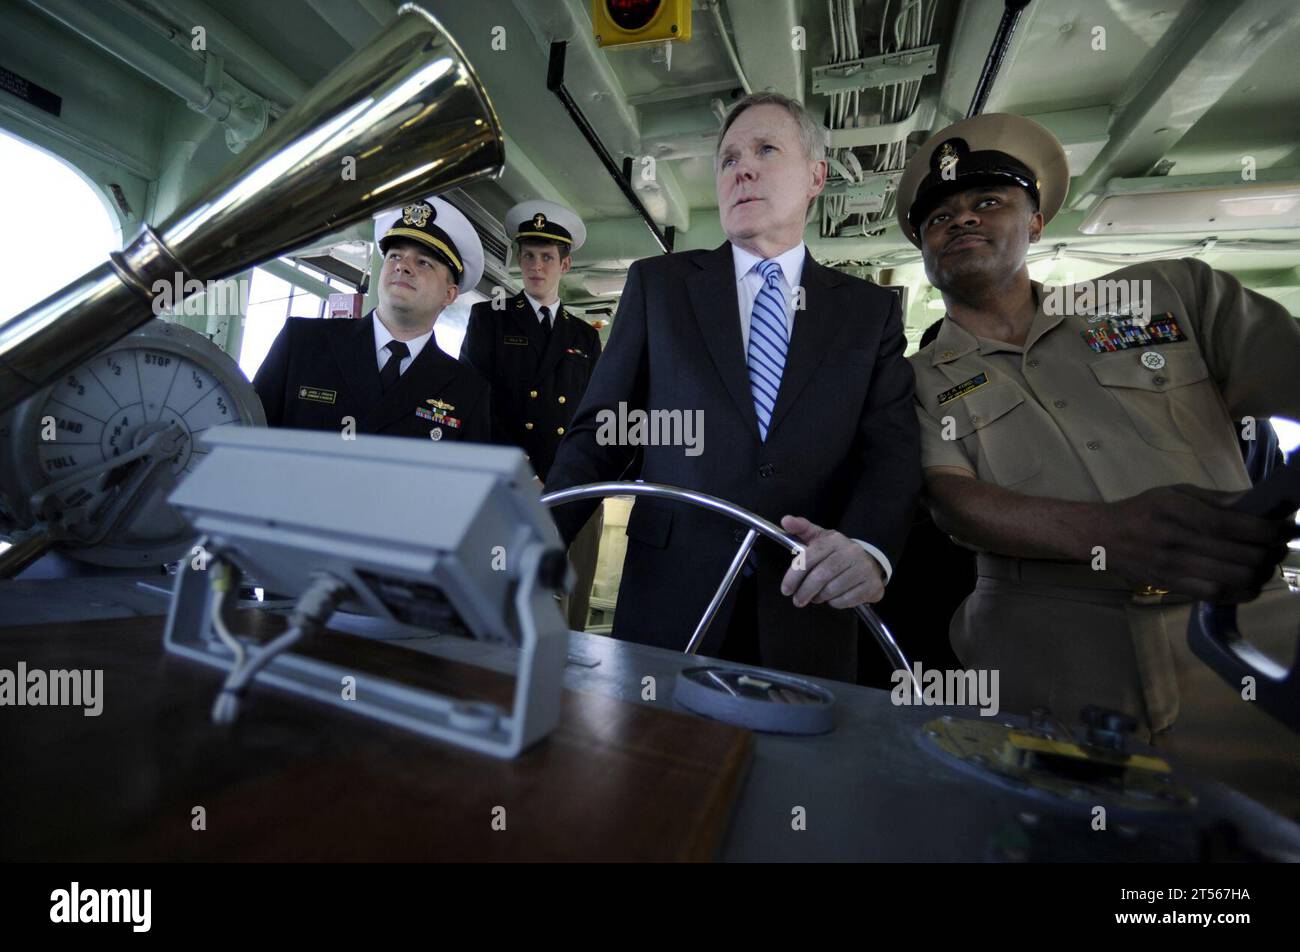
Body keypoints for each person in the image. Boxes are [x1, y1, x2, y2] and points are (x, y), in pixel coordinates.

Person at [899, 112, 1300, 810]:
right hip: (1050, 666)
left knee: (1266, 834)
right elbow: (949, 496)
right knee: (1054, 838)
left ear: (1038, 221)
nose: (961, 220)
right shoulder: (917, 379)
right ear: (926, 250)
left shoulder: (1164, 298)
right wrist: (1108, 533)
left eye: (987, 202)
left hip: (1241, 640)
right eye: (938, 218)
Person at [545, 92, 920, 681]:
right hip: (672, 602)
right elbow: (603, 433)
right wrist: (536, 542)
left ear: (816, 175)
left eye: (766, 150)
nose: (741, 168)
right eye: (728, 160)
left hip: (808, 603)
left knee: (795, 772)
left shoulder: (868, 313)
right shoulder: (660, 287)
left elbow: (892, 451)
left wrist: (868, 547)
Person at [460, 201, 603, 629]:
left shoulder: (584, 336)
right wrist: (521, 467)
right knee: (501, 604)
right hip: (510, 483)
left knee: (564, 613)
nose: (535, 267)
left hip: (569, 488)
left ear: (565, 264)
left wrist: (566, 477)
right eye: (528, 256)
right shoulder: (490, 318)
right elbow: (475, 399)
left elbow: (591, 414)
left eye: (546, 257)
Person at [254, 197, 490, 443]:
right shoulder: (302, 343)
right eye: (395, 256)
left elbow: (465, 481)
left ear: (449, 294)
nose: (403, 266)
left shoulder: (467, 391)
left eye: (423, 262)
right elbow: (246, 436)